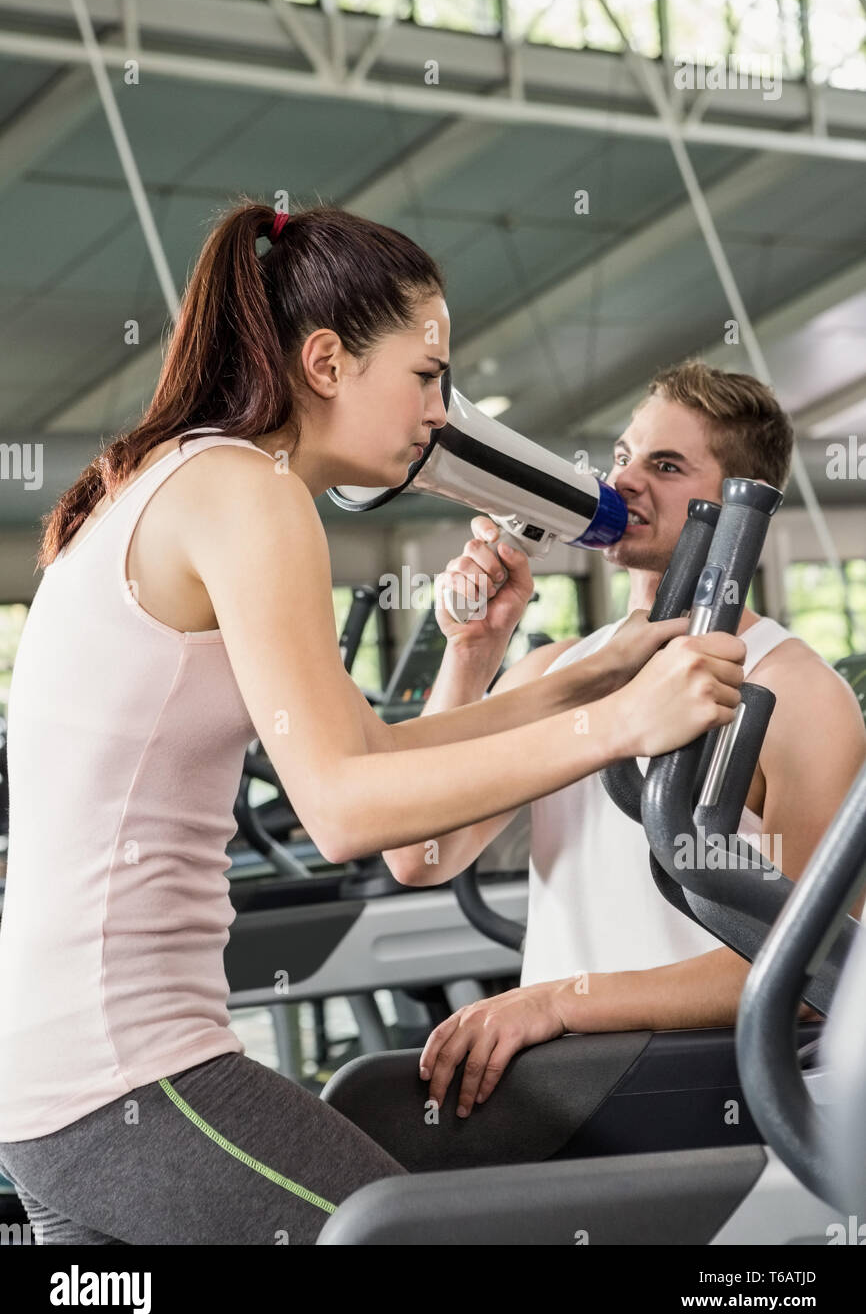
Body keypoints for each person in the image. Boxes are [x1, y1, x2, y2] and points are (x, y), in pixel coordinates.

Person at [0, 205, 744, 1245]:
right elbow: (348, 811)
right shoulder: (248, 496)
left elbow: (376, 755)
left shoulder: (187, 479)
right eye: (427, 375)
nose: (441, 413)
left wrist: (589, 679)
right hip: (127, 1079)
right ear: (324, 362)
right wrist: (621, 723)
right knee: (411, 1239)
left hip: (63, 1092)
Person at [382, 361, 866, 1120]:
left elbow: (813, 968)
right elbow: (417, 854)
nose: (624, 481)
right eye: (622, 457)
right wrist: (471, 653)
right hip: (556, 1083)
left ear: (741, 503)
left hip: (703, 1089)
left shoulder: (799, 694)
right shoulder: (555, 671)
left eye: (666, 466)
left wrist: (563, 1003)